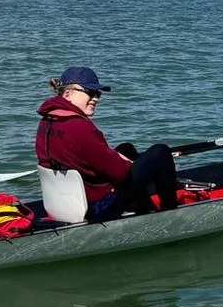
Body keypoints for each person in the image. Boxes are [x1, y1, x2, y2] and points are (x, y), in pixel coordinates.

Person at [34, 66, 179, 220]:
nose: (95, 98)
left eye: (97, 94)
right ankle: (171, 217)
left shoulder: (46, 122)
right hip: (98, 208)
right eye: (90, 92)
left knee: (126, 148)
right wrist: (127, 163)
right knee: (160, 152)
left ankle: (144, 207)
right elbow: (120, 173)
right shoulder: (79, 126)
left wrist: (121, 158)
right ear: (68, 94)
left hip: (66, 203)